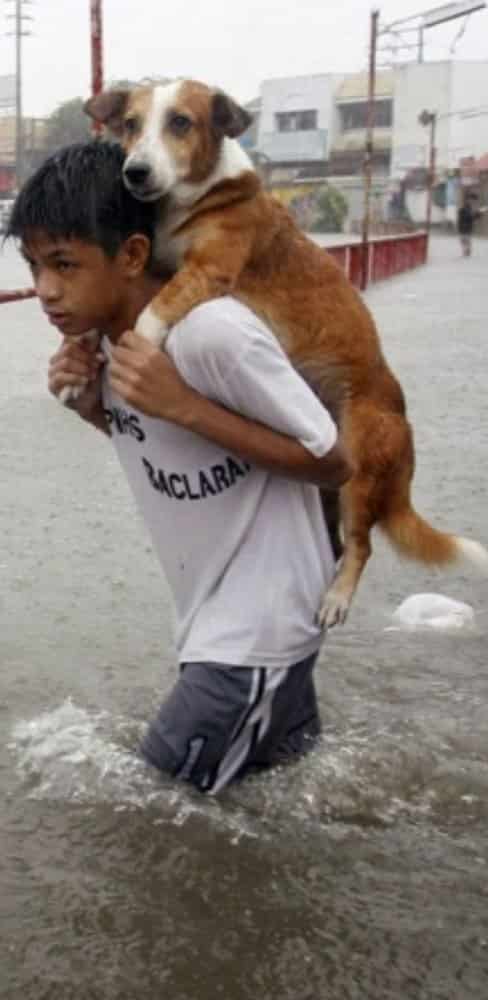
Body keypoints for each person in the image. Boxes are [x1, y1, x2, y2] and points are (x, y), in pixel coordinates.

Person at [8, 141, 354, 794]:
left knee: (151, 821)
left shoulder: (209, 333)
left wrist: (187, 404)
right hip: (227, 629)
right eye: (33, 266)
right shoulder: (107, 344)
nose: (45, 291)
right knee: (270, 821)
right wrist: (91, 406)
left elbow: (334, 458)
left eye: (63, 264)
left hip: (253, 636)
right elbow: (164, 443)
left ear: (133, 254)